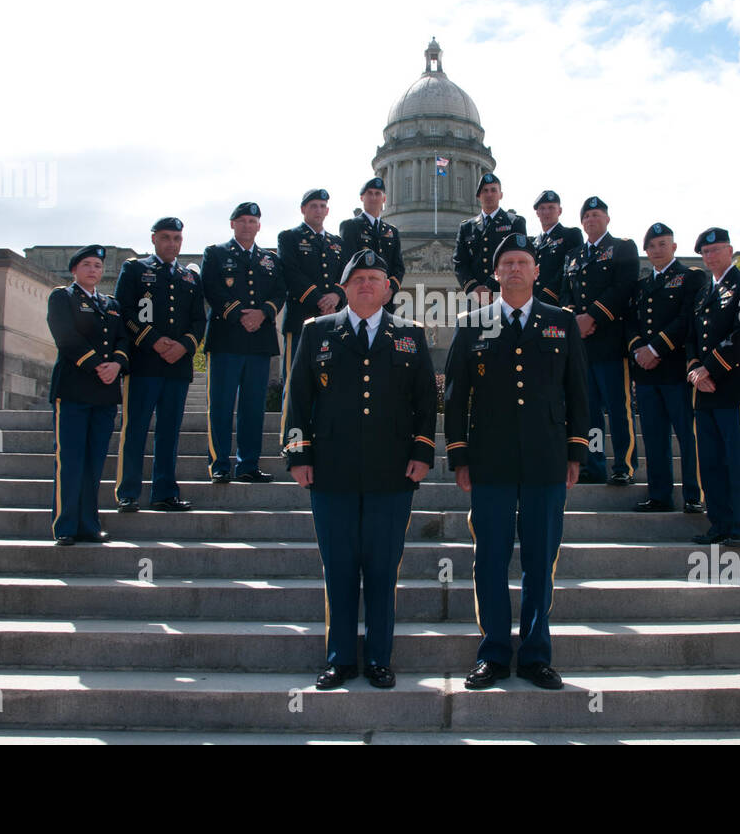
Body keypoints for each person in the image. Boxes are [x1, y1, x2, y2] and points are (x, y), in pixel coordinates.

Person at [283, 250, 437, 690]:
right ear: (344, 287)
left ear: (389, 288)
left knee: (383, 567)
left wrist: (423, 452)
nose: (366, 284)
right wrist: (298, 456)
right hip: (331, 471)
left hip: (393, 473)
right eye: (358, 279)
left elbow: (426, 402)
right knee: (340, 567)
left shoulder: (410, 334)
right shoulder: (317, 333)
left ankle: (379, 659)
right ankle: (340, 658)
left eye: (375, 278)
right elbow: (298, 400)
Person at [445, 233, 589, 690]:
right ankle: (493, 652)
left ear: (536, 270)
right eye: (506, 262)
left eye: (522, 261)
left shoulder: (560, 322)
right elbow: (455, 396)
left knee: (540, 559)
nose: (514, 269)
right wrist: (459, 455)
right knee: (489, 558)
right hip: (490, 461)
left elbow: (579, 393)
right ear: (496, 271)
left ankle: (535, 654)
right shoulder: (473, 323)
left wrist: (575, 451)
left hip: (546, 459)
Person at [113, 217, 205, 513]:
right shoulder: (136, 269)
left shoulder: (190, 278)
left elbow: (198, 320)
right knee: (136, 428)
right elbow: (122, 310)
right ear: (154, 239)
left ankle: (164, 492)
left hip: (177, 367)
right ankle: (128, 492)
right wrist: (151, 339)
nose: (172, 244)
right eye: (166, 237)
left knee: (170, 431)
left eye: (177, 238)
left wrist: (184, 346)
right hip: (144, 363)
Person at [685, 227, 740, 546]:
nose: (710, 256)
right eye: (705, 252)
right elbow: (691, 339)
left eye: (716, 250)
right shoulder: (705, 293)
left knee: (739, 462)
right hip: (703, 393)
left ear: (730, 251)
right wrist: (694, 370)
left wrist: (709, 369)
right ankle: (718, 523)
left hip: (733, 388)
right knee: (712, 463)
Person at [46, 245, 130, 545]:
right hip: (73, 390)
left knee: (94, 462)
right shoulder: (62, 297)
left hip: (104, 394)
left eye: (97, 265)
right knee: (70, 460)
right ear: (74, 270)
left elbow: (123, 339)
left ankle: (89, 524)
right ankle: (65, 525)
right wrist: (98, 366)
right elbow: (66, 337)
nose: (93, 270)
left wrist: (117, 363)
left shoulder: (111, 304)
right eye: (87, 265)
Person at [201, 202, 286, 483]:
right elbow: (211, 288)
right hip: (227, 339)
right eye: (243, 221)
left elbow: (279, 292)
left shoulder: (270, 259)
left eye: (253, 221)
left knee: (253, 408)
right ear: (232, 224)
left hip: (259, 341)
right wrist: (239, 314)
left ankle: (248, 464)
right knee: (222, 405)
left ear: (259, 226)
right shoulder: (216, 254)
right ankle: (220, 464)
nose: (248, 226)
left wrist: (263, 313)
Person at [626, 223, 707, 513]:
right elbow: (631, 323)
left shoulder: (690, 278)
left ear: (673, 247)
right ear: (646, 251)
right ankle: (659, 495)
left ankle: (694, 495)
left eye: (663, 244)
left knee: (688, 436)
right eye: (652, 246)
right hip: (646, 374)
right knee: (654, 437)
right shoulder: (642, 285)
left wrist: (655, 348)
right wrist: (638, 349)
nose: (657, 250)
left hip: (675, 370)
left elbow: (687, 319)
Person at [559, 196, 639, 486]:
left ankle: (624, 464)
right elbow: (565, 295)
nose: (592, 219)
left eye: (596, 214)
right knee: (588, 411)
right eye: (587, 216)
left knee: (618, 408)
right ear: (582, 223)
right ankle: (594, 464)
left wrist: (591, 317)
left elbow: (624, 287)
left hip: (610, 340)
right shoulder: (574, 255)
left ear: (607, 218)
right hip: (582, 345)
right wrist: (574, 321)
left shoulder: (622, 247)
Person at [278, 188, 346, 384]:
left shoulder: (337, 243)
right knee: (295, 384)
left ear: (327, 211)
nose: (318, 210)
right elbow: (291, 273)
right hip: (301, 319)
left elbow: (344, 276)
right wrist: (320, 300)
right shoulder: (289, 238)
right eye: (313, 206)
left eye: (322, 206)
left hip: (332, 321)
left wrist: (336, 296)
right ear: (303, 209)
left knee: (328, 385)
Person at [452, 172, 527, 305]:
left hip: (505, 295)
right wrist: (474, 288)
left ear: (501, 195)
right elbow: (459, 262)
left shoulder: (514, 223)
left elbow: (518, 259)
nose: (489, 194)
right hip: (476, 299)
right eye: (485, 191)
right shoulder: (467, 227)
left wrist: (490, 287)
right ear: (478, 196)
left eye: (493, 190)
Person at [339, 177, 405, 310]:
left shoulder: (392, 231)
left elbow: (398, 267)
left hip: (385, 303)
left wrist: (390, 289)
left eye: (377, 194)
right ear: (362, 198)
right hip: (361, 298)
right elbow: (348, 263)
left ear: (384, 199)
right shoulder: (350, 226)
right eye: (369, 193)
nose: (374, 198)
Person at [531, 190, 582, 306]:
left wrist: (548, 294)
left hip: (556, 302)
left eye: (551, 208)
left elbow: (570, 269)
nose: (546, 212)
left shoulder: (571, 235)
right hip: (531, 302)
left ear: (559, 211)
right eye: (542, 208)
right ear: (537, 213)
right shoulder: (532, 243)